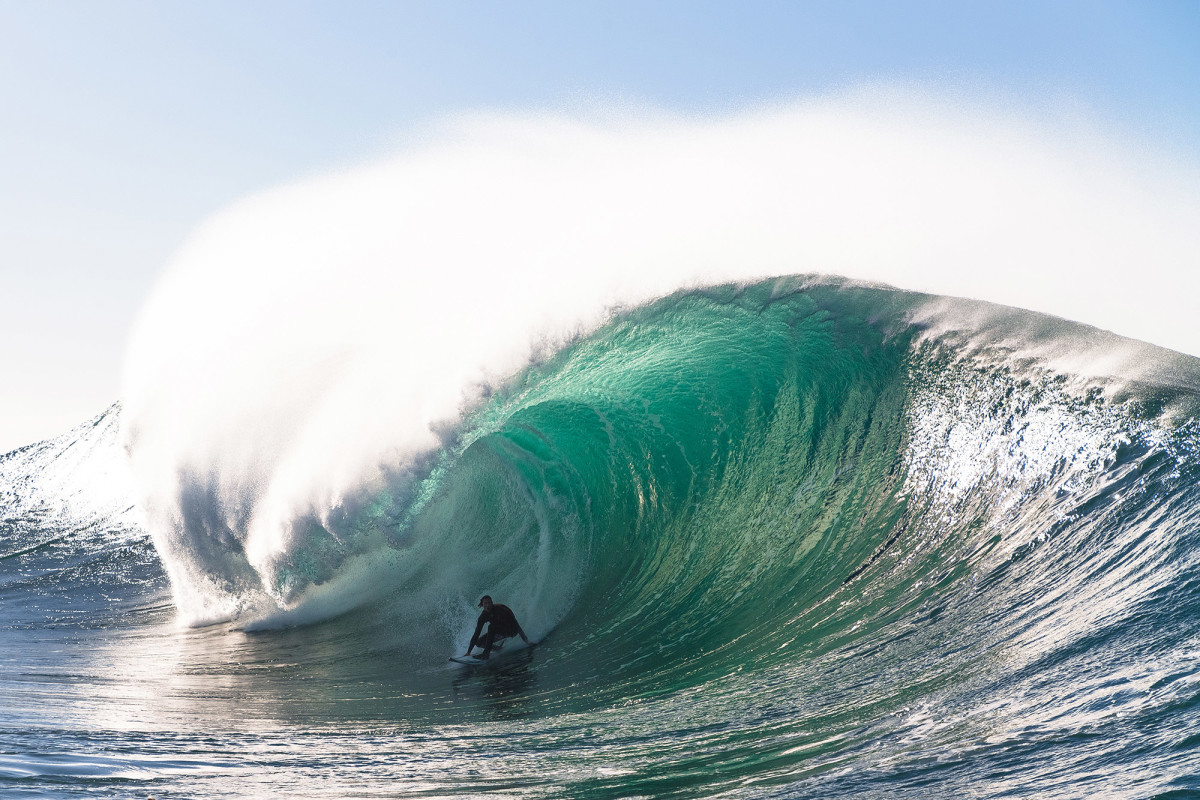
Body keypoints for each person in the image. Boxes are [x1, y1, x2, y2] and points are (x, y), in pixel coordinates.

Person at [464, 595, 529, 660]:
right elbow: (476, 634)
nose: (488, 605)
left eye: (489, 603)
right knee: (479, 642)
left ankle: (486, 653)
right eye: (485, 603)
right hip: (500, 631)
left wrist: (526, 640)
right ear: (482, 605)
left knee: (491, 627)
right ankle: (500, 650)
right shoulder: (483, 616)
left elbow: (516, 624)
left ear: (492, 603)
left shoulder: (501, 609)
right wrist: (468, 652)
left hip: (512, 630)